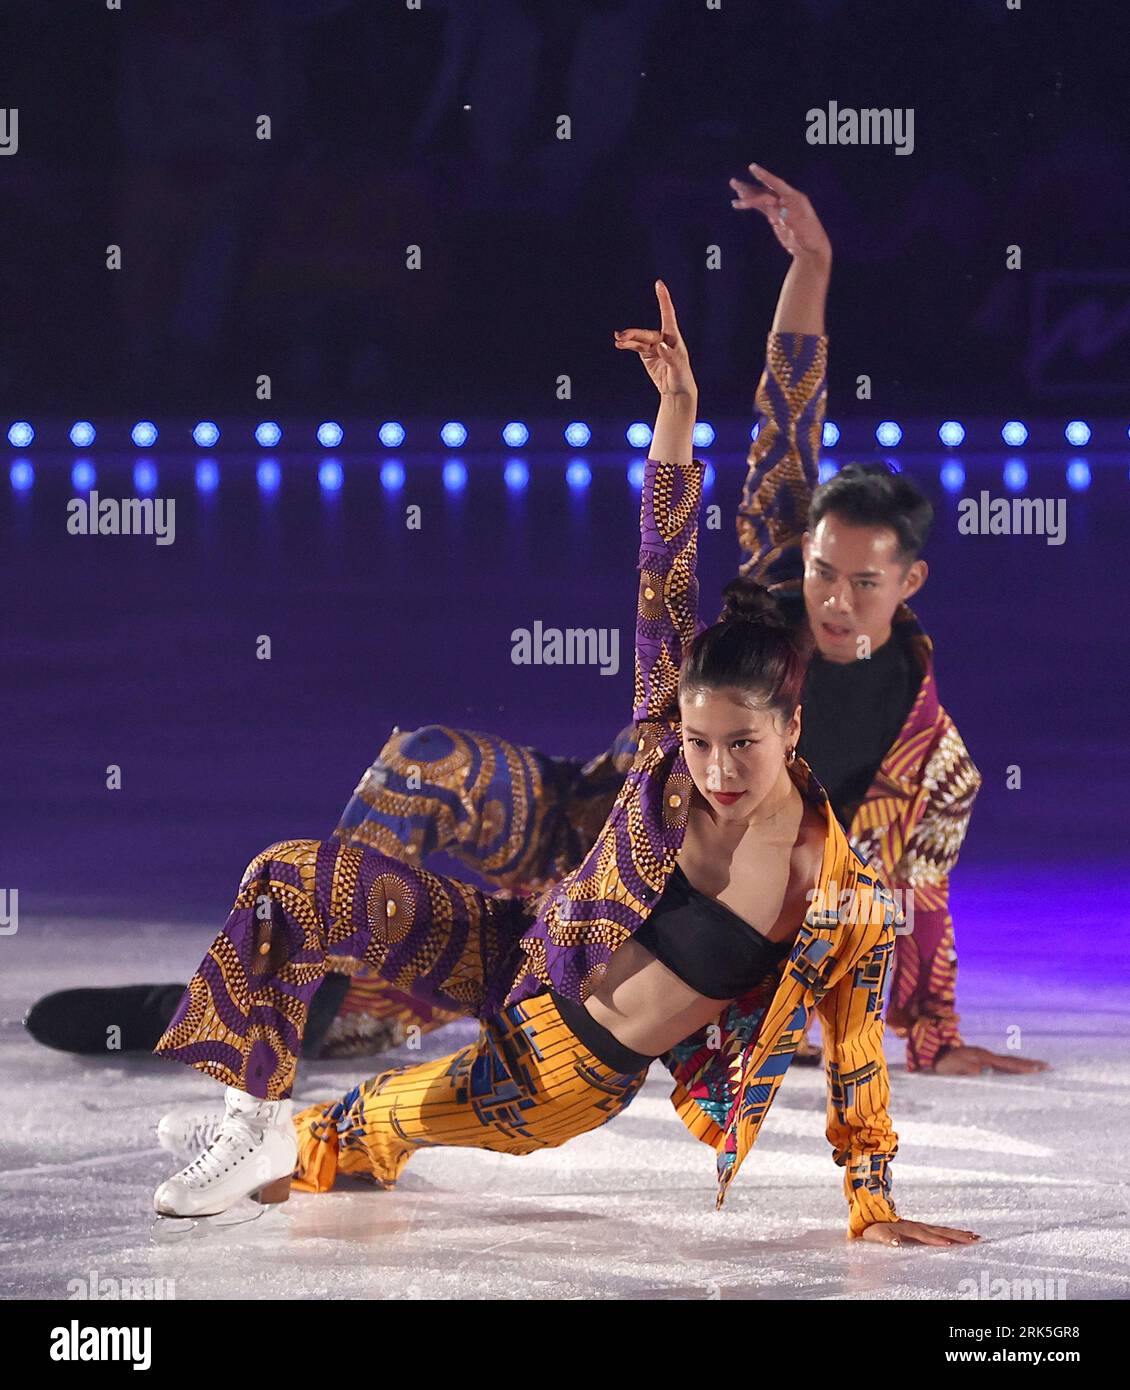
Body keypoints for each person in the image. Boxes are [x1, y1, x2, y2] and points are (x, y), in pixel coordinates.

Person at [27, 164, 1044, 1080]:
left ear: (909, 581)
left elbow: (914, 896)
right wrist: (812, 266)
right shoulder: (776, 587)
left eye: (861, 583)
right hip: (587, 811)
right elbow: (787, 418)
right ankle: (294, 1014)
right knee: (421, 761)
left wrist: (936, 1033)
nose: (830, 595)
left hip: (636, 919)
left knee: (452, 994)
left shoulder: (932, 755)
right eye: (823, 569)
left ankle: (316, 1012)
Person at [150, 280, 978, 1249]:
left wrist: (872, 1197)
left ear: (792, 735)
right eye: (698, 740)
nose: (710, 767)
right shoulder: (678, 729)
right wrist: (674, 413)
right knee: (284, 879)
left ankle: (306, 1133)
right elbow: (661, 567)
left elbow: (851, 1052)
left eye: (741, 747)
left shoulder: (832, 880)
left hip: (555, 1073)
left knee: (360, 1123)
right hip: (519, 948)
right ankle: (252, 1123)